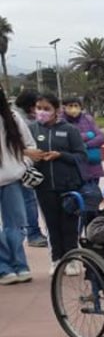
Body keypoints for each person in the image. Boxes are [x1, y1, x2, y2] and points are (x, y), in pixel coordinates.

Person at [27, 93, 86, 274]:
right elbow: (23, 153)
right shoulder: (31, 129)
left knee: (69, 225)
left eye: (46, 109)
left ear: (56, 110)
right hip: (44, 186)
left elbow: (81, 156)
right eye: (39, 108)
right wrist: (33, 156)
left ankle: (72, 260)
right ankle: (56, 260)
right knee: (52, 225)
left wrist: (60, 155)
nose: (42, 112)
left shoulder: (70, 130)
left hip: (68, 185)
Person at [0, 85, 35, 284]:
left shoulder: (12, 118)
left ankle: (20, 265)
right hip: (12, 177)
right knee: (11, 226)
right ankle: (5, 267)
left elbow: (30, 146)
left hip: (12, 179)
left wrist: (22, 166)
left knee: (15, 225)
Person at [61, 96, 104, 220]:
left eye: (76, 106)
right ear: (64, 107)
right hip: (75, 170)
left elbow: (101, 137)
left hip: (93, 167)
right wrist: (89, 135)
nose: (73, 109)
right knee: (76, 201)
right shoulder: (61, 122)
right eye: (70, 106)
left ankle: (90, 222)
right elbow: (68, 140)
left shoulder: (88, 119)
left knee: (94, 198)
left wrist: (84, 145)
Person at [12, 90, 47, 248]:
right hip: (18, 167)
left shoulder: (22, 117)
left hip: (22, 165)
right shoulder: (19, 119)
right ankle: (33, 234)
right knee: (28, 201)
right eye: (36, 106)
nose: (37, 110)